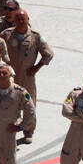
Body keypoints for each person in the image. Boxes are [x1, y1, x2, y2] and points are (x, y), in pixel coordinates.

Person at [4, 9, 52, 143]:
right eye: (17, 18)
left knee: (29, 103)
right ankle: (9, 129)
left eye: (22, 18)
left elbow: (48, 54)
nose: (20, 21)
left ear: (28, 19)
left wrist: (36, 68)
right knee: (9, 102)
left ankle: (28, 130)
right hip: (10, 76)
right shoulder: (7, 35)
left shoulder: (35, 37)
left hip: (27, 76)